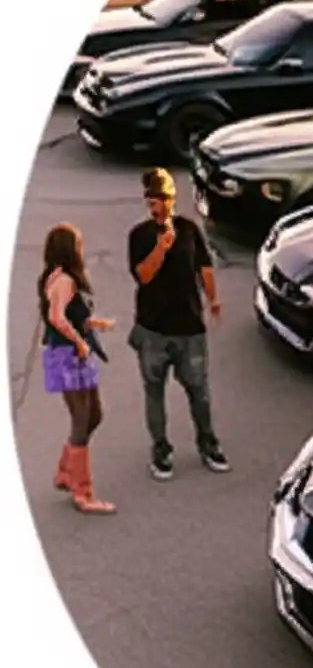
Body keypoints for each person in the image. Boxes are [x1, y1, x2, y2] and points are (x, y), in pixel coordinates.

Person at [127, 168, 229, 480]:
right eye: (150, 199)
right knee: (154, 393)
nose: (154, 204)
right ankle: (161, 450)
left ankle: (208, 443)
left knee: (199, 392)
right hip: (153, 330)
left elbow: (204, 265)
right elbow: (143, 275)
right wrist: (161, 247)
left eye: (159, 198)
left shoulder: (188, 229)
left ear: (172, 200)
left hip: (189, 328)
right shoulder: (140, 235)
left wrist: (212, 299)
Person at [39, 223, 115, 515]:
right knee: (82, 419)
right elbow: (56, 318)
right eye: (78, 245)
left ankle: (65, 470)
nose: (82, 250)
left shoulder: (63, 278)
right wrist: (79, 343)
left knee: (94, 414)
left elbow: (70, 316)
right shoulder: (64, 280)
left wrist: (95, 325)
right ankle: (82, 492)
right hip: (66, 355)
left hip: (75, 354)